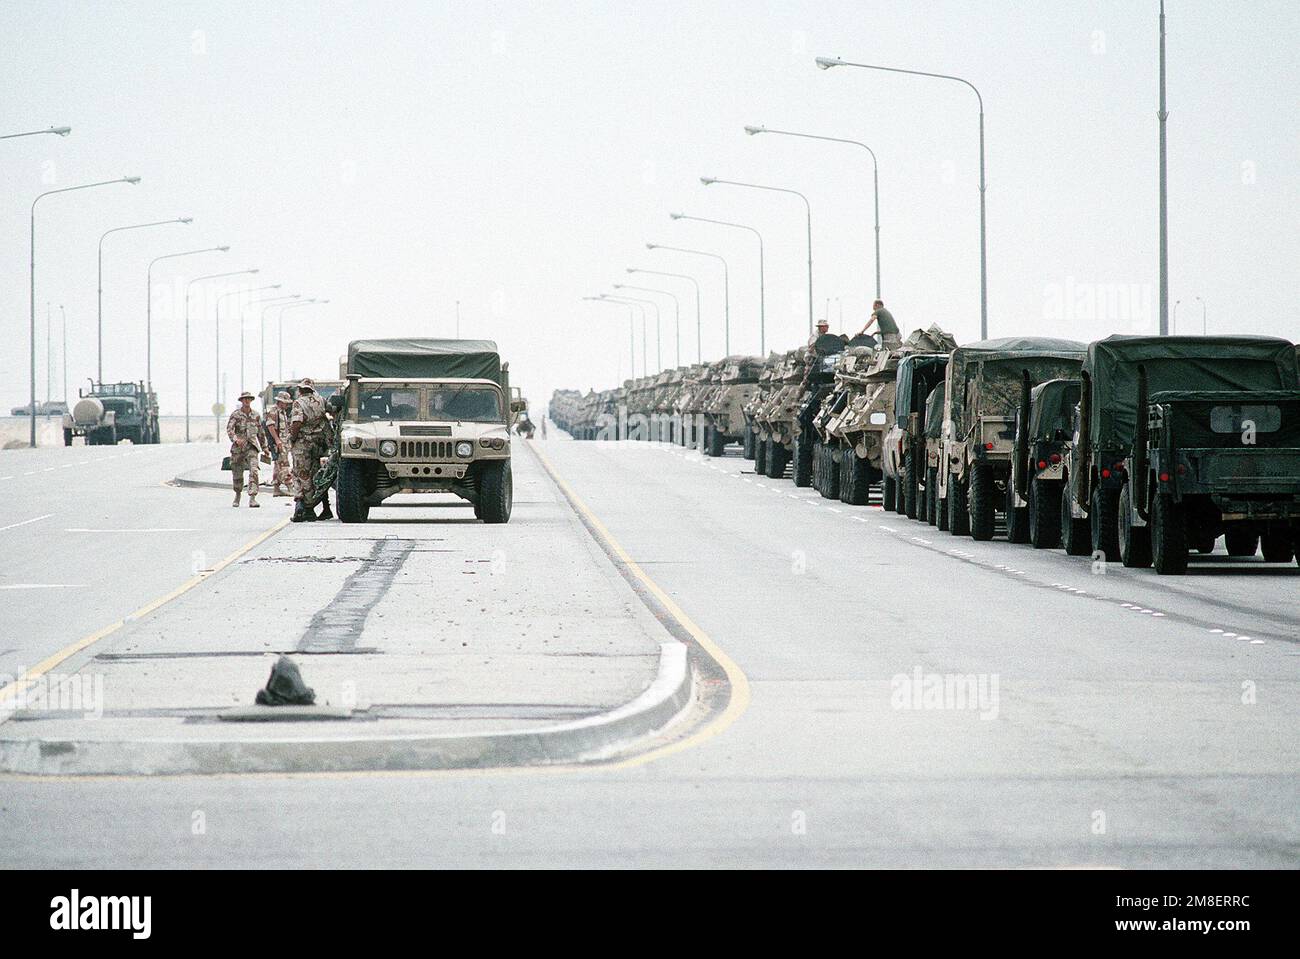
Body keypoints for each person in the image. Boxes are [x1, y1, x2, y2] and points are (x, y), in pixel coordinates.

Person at [288, 378, 331, 522]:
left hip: (303, 443)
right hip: (319, 443)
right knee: (316, 473)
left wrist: (293, 438)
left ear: (300, 390)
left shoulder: (299, 403)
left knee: (302, 474)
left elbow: (297, 422)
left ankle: (307, 508)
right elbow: (334, 410)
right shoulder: (321, 400)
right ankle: (321, 506)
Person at [226, 391, 262, 508]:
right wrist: (236, 439)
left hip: (251, 446)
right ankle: (237, 494)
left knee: (254, 470)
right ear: (241, 401)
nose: (247, 401)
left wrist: (265, 447)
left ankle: (252, 497)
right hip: (238, 448)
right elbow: (230, 429)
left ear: (251, 401)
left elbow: (261, 433)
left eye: (249, 399)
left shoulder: (256, 415)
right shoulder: (236, 415)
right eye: (244, 399)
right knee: (237, 472)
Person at [264, 390, 294, 496]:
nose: (286, 405)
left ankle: (276, 489)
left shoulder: (282, 412)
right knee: (285, 464)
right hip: (279, 443)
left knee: (277, 466)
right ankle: (289, 485)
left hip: (284, 442)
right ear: (280, 402)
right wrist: (277, 440)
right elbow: (270, 426)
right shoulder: (274, 411)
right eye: (285, 402)